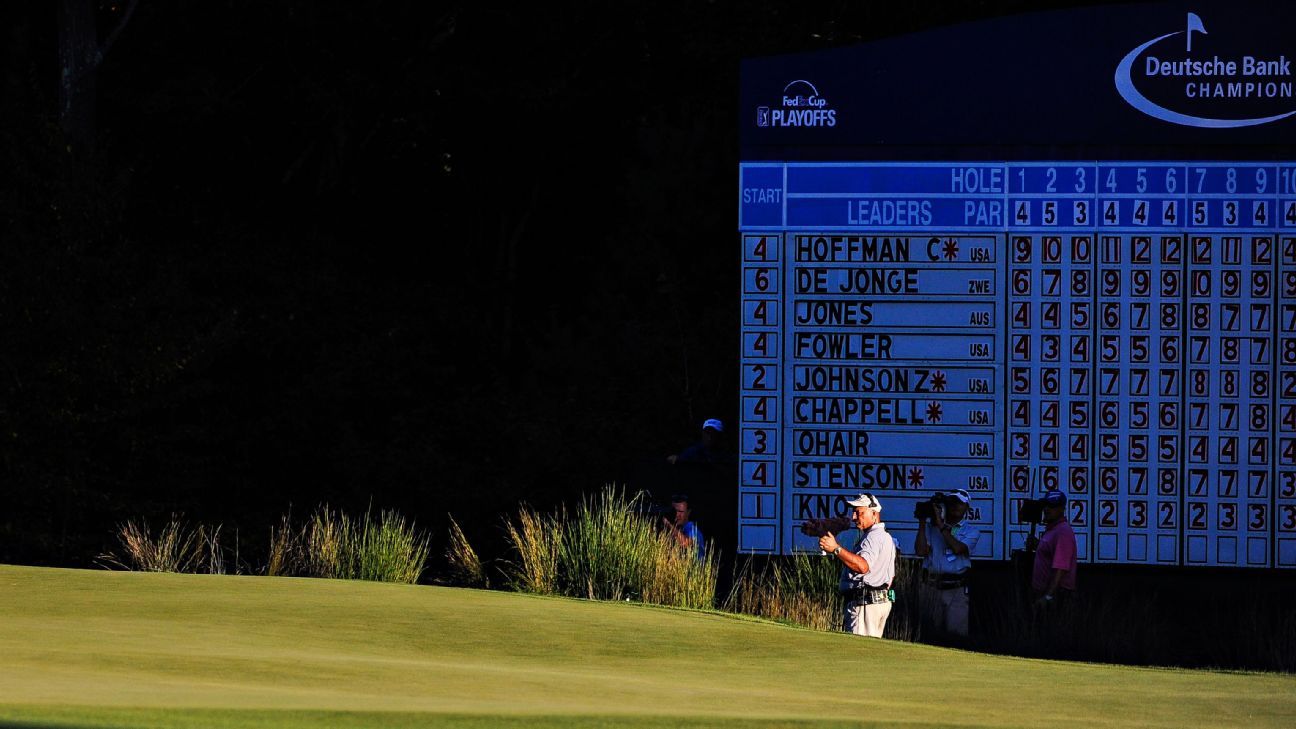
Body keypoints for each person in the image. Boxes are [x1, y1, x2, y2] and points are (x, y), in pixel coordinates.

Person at [818, 493, 896, 638]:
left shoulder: (872, 538)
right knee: (871, 652)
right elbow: (891, 576)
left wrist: (836, 549)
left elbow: (863, 566)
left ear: (874, 513)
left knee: (859, 651)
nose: (854, 517)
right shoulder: (886, 537)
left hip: (865, 605)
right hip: (879, 602)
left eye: (859, 513)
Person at [913, 488, 980, 638]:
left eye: (959, 504)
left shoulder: (971, 531)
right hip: (931, 586)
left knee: (956, 636)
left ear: (967, 508)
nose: (955, 506)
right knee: (930, 635)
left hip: (956, 589)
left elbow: (958, 548)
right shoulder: (932, 528)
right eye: (952, 503)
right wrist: (923, 522)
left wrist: (941, 525)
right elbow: (920, 551)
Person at [1030, 489, 1077, 609]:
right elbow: (1051, 553)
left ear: (1062, 509)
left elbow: (1061, 568)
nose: (1047, 509)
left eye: (1052, 506)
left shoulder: (1062, 531)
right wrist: (1038, 545)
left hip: (1056, 596)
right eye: (1046, 505)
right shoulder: (1053, 528)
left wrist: (1048, 597)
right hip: (1046, 592)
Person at [662, 494, 705, 561]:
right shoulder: (675, 530)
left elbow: (684, 542)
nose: (677, 515)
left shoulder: (693, 530)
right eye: (674, 511)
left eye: (681, 511)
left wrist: (668, 523)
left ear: (688, 512)